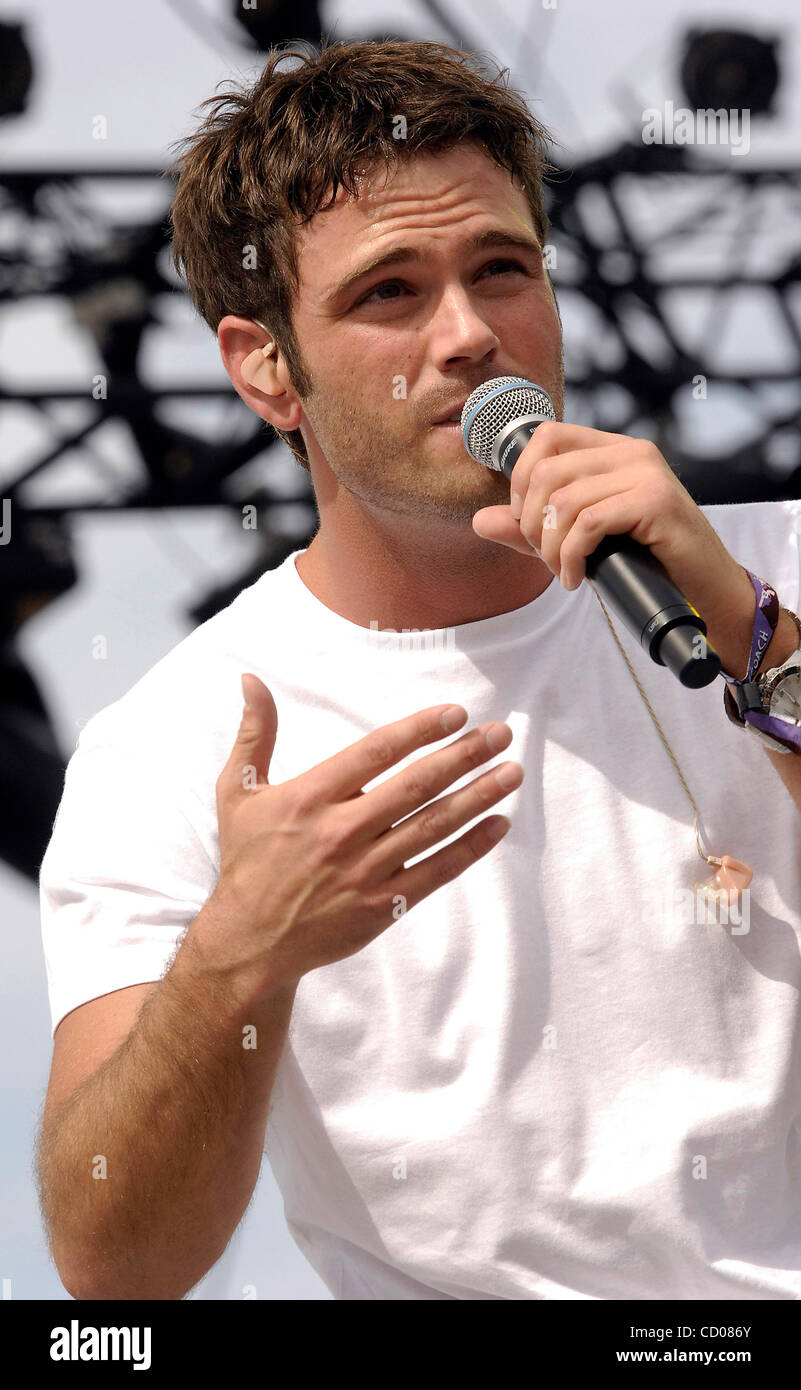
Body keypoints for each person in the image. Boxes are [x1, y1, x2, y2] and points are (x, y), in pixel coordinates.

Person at [35, 38, 801, 1302]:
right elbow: (115, 1266)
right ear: (263, 366)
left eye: (502, 269)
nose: (470, 335)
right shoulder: (170, 743)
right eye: (389, 292)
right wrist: (242, 951)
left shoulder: (769, 568)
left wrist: (749, 627)